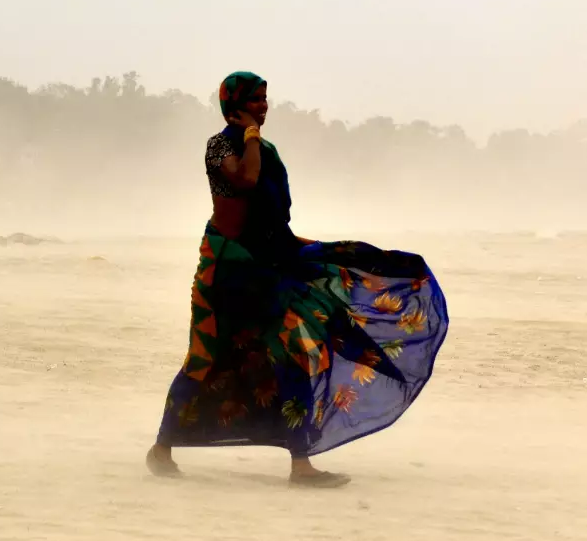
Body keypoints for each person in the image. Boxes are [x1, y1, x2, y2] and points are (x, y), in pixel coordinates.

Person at [146, 71, 449, 487]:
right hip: (226, 272)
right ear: (233, 103)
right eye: (255, 99)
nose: (264, 106)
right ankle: (162, 447)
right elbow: (246, 181)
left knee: (291, 356)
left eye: (266, 99)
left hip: (266, 268)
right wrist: (250, 134)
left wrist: (310, 249)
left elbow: (272, 221)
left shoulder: (265, 148)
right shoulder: (219, 146)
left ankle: (300, 465)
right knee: (206, 359)